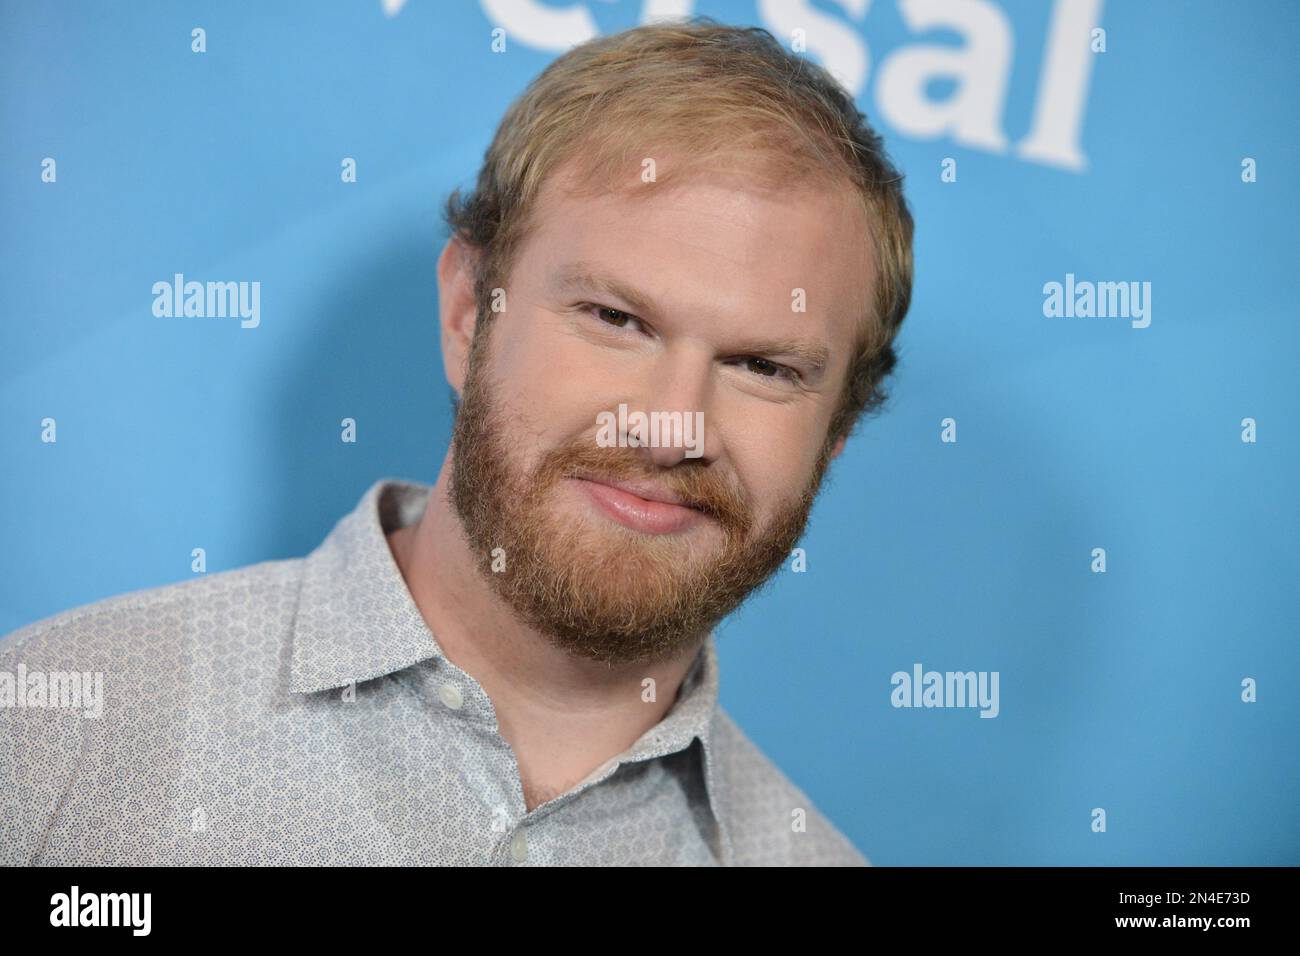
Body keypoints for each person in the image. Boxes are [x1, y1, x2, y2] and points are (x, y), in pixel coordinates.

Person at [0, 17, 912, 866]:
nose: (672, 428)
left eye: (764, 367)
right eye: (616, 318)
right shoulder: (54, 727)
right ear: (469, 312)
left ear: (835, 435)